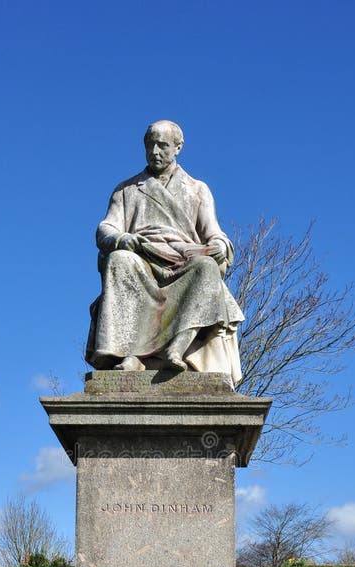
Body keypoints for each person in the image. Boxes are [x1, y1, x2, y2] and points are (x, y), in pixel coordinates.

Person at [85, 120, 244, 384]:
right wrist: (123, 239)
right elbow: (106, 229)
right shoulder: (126, 189)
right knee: (119, 260)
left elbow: (214, 232)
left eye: (162, 146)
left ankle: (177, 347)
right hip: (142, 258)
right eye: (150, 145)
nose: (155, 152)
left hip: (182, 262)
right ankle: (131, 354)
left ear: (178, 147)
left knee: (206, 268)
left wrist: (219, 245)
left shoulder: (197, 189)